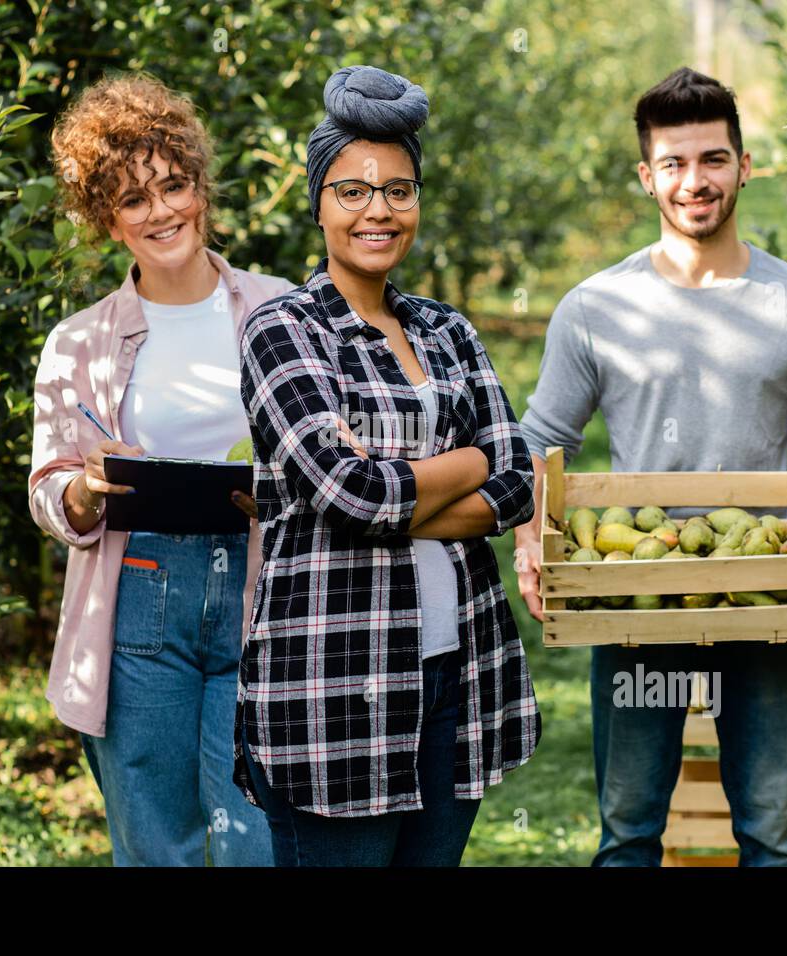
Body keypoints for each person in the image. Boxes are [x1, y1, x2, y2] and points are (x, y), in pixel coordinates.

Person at [513, 67, 787, 867]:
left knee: (773, 840)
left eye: (713, 160)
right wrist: (529, 539)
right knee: (627, 838)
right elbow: (543, 439)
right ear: (647, 176)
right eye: (674, 164)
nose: (695, 181)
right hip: (633, 602)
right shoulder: (596, 308)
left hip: (766, 596)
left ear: (745, 166)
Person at [233, 65, 541, 867]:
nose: (379, 210)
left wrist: (414, 486)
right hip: (335, 684)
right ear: (320, 204)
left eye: (399, 190)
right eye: (353, 191)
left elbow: (517, 480)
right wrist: (464, 459)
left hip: (458, 673)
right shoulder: (284, 331)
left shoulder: (448, 330)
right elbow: (350, 493)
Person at [28, 72, 292, 866]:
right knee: (157, 848)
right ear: (108, 221)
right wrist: (84, 488)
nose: (161, 212)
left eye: (173, 186)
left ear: (200, 187)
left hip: (259, 589)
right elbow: (50, 488)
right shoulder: (78, 342)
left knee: (256, 841)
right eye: (134, 200)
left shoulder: (280, 310)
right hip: (139, 593)